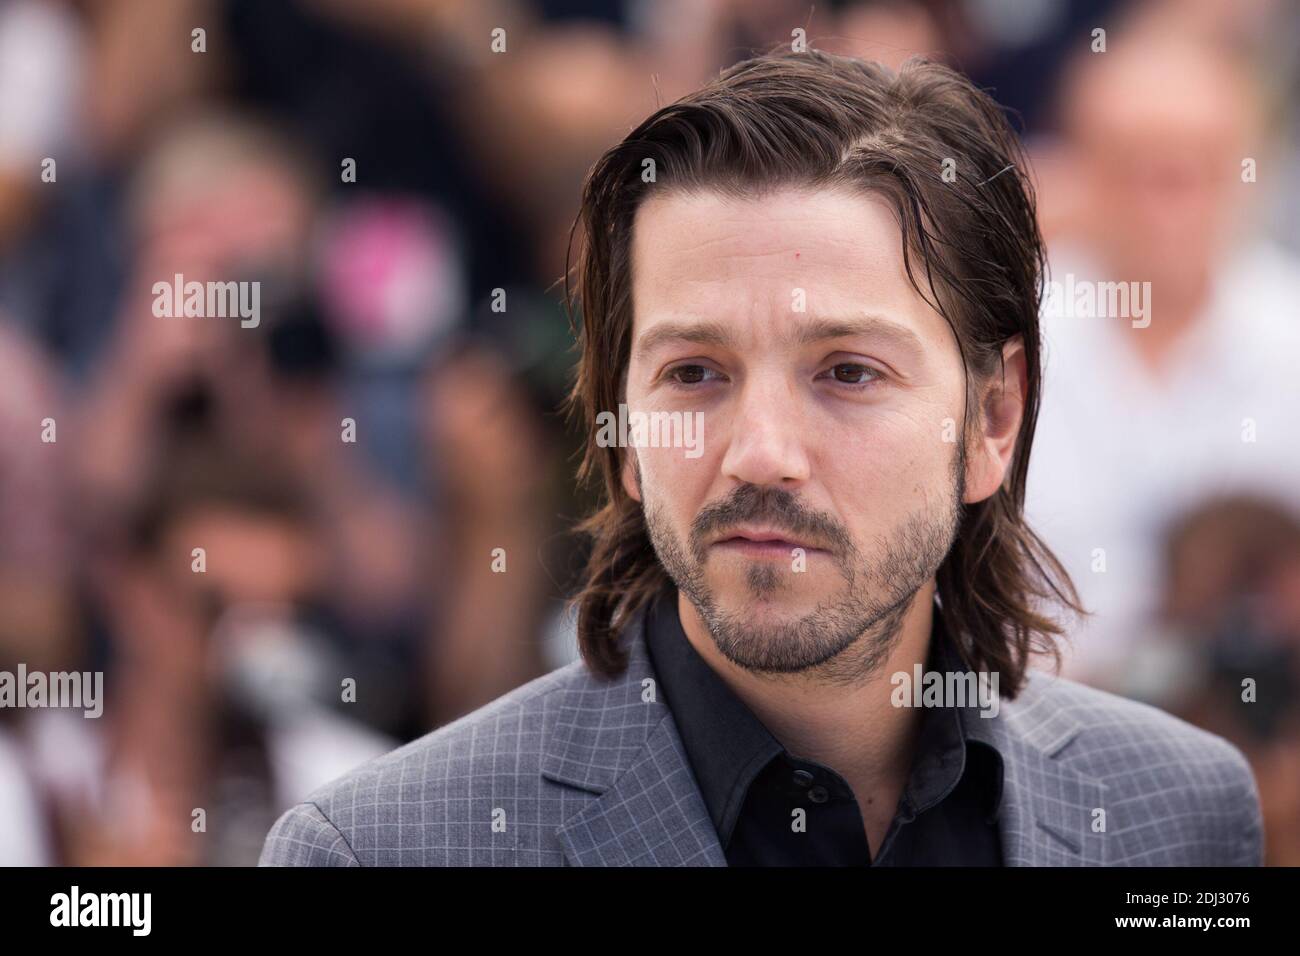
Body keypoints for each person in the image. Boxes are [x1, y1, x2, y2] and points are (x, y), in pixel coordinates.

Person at [260, 48, 1262, 867]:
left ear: (991, 420)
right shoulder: (384, 850)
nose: (762, 453)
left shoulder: (1178, 814)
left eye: (847, 373)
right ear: (621, 430)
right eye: (695, 372)